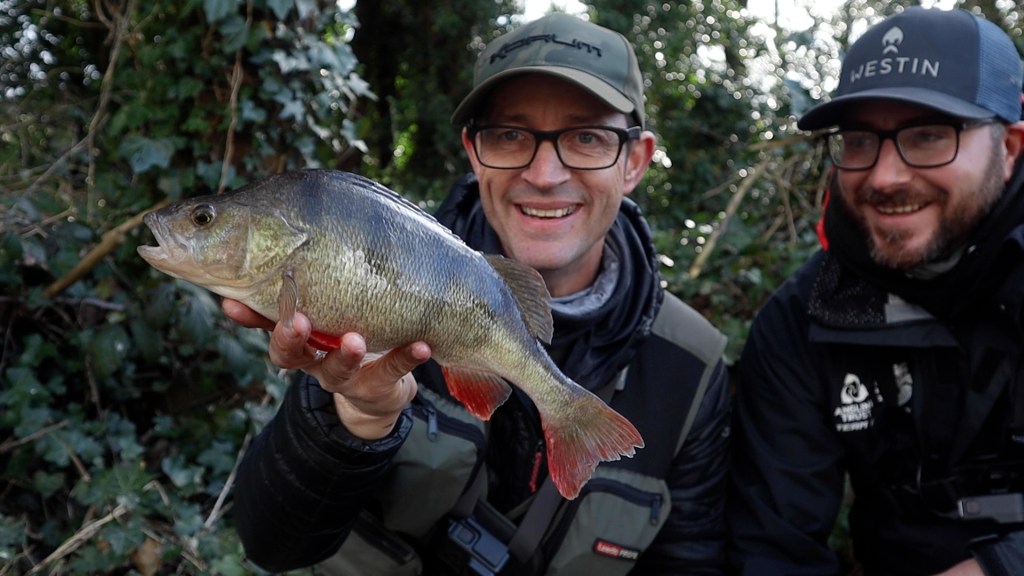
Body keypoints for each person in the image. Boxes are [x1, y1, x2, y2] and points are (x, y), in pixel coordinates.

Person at [227, 13, 731, 575]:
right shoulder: (370, 286)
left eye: (587, 137)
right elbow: (272, 546)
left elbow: (692, 561)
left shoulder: (693, 368)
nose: (545, 174)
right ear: (473, 149)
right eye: (510, 135)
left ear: (634, 160)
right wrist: (354, 421)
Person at [727, 7, 1024, 576]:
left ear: (1009, 148)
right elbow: (771, 548)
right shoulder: (805, 317)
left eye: (928, 135)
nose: (885, 177)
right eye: (861, 140)